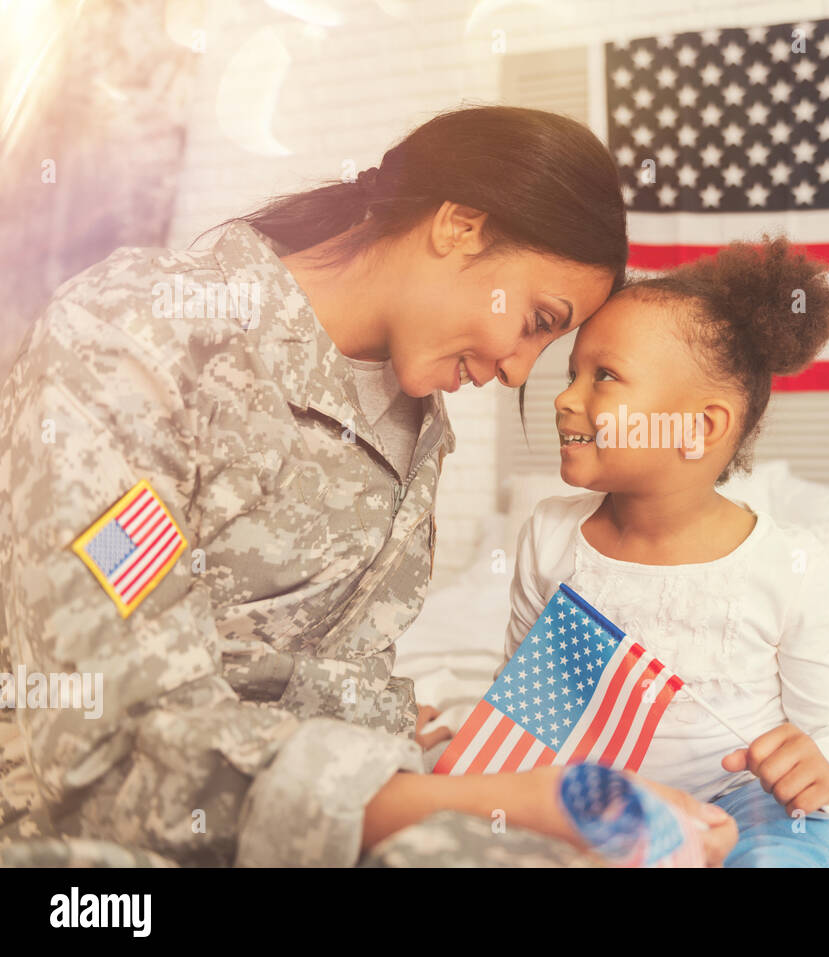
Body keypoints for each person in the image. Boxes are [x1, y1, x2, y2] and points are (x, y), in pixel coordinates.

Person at [0, 104, 737, 867]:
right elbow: (112, 743)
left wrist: (396, 742)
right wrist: (475, 801)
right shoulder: (135, 338)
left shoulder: (414, 420)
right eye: (535, 320)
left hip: (309, 810)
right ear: (460, 226)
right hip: (94, 837)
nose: (520, 370)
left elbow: (323, 669)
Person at [502, 235, 829, 866]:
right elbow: (523, 708)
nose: (566, 398)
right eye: (573, 374)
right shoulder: (550, 535)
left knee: (802, 846)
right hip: (602, 802)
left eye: (605, 377)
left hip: (743, 796)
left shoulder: (786, 566)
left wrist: (828, 768)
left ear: (699, 427)